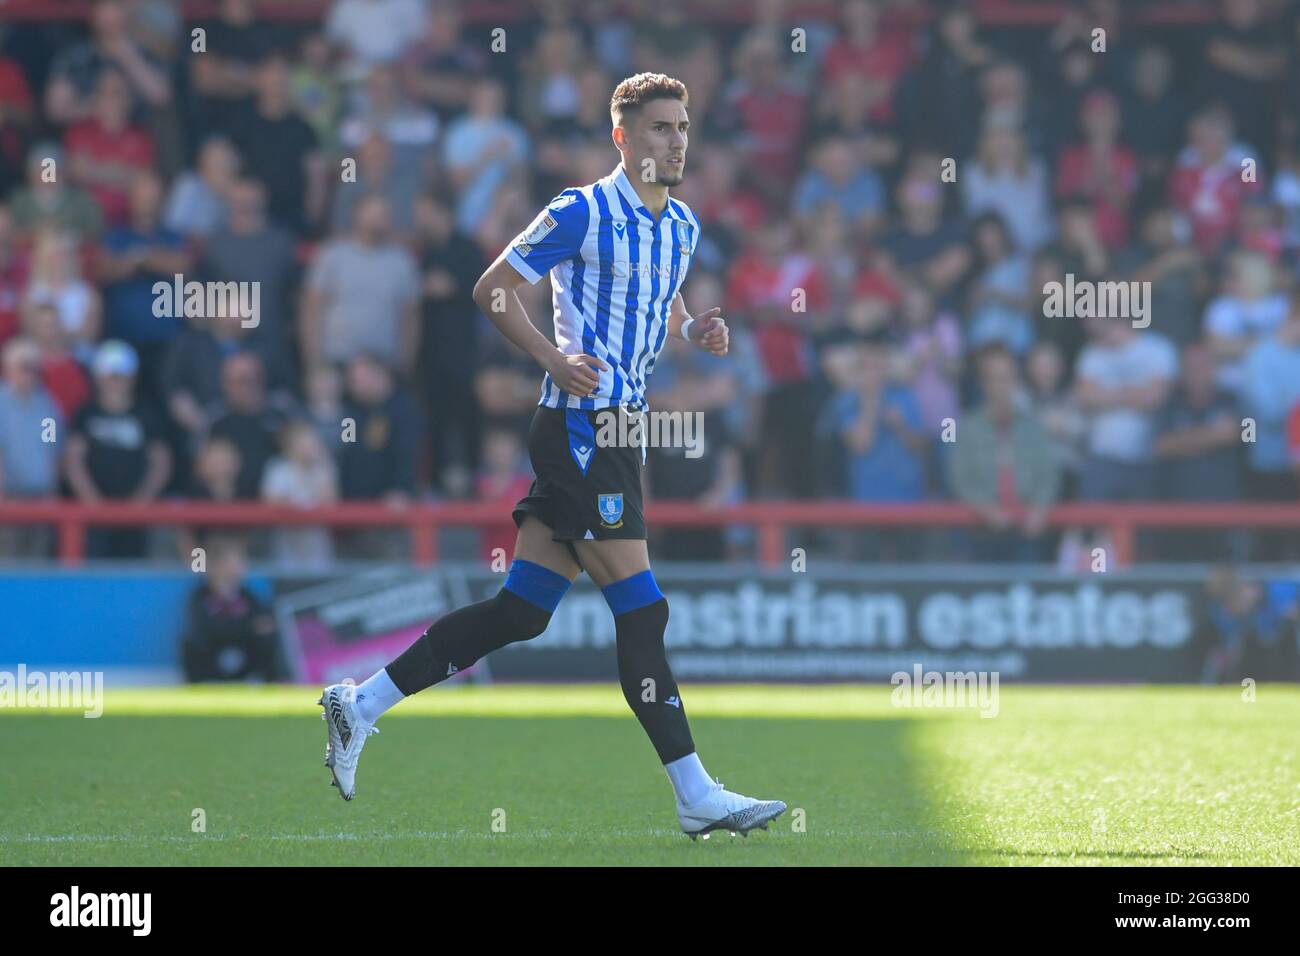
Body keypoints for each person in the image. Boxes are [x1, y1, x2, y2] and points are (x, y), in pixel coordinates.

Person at [317, 72, 786, 839]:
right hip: (580, 424)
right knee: (644, 606)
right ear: (622, 137)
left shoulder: (684, 226)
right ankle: (696, 793)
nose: (675, 141)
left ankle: (359, 701)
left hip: (621, 432)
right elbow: (493, 287)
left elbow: (657, 299)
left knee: (523, 611)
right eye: (660, 128)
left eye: (682, 127)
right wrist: (551, 357)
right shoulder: (582, 209)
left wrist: (694, 328)